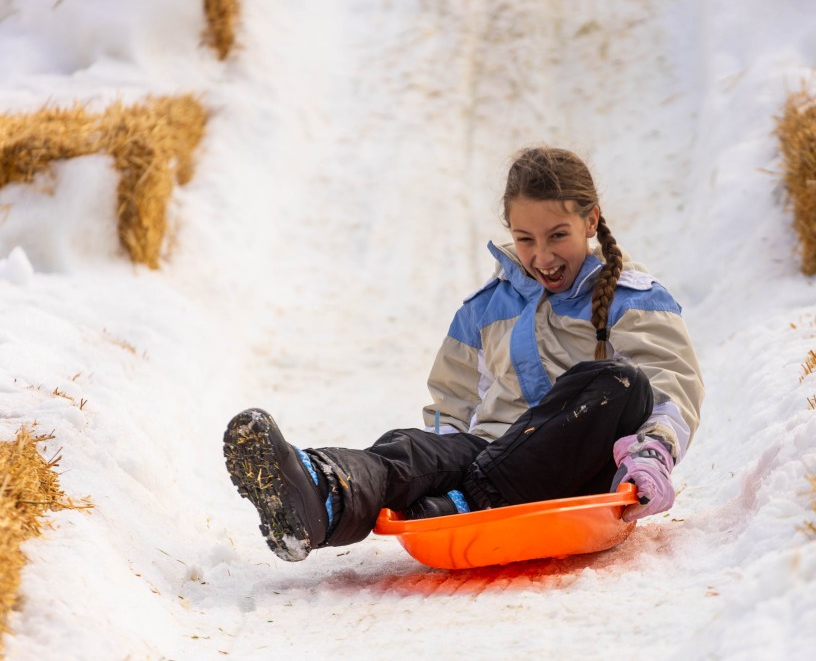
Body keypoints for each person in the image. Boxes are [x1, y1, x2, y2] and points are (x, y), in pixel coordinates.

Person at [223, 147, 704, 562]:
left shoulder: (633, 296)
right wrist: (437, 462)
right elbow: (452, 402)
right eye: (525, 239)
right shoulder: (486, 308)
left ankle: (466, 503)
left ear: (591, 220)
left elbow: (671, 386)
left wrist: (652, 454)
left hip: (580, 469)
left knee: (620, 383)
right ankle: (320, 494)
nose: (542, 256)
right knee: (411, 448)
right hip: (494, 457)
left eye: (558, 235)